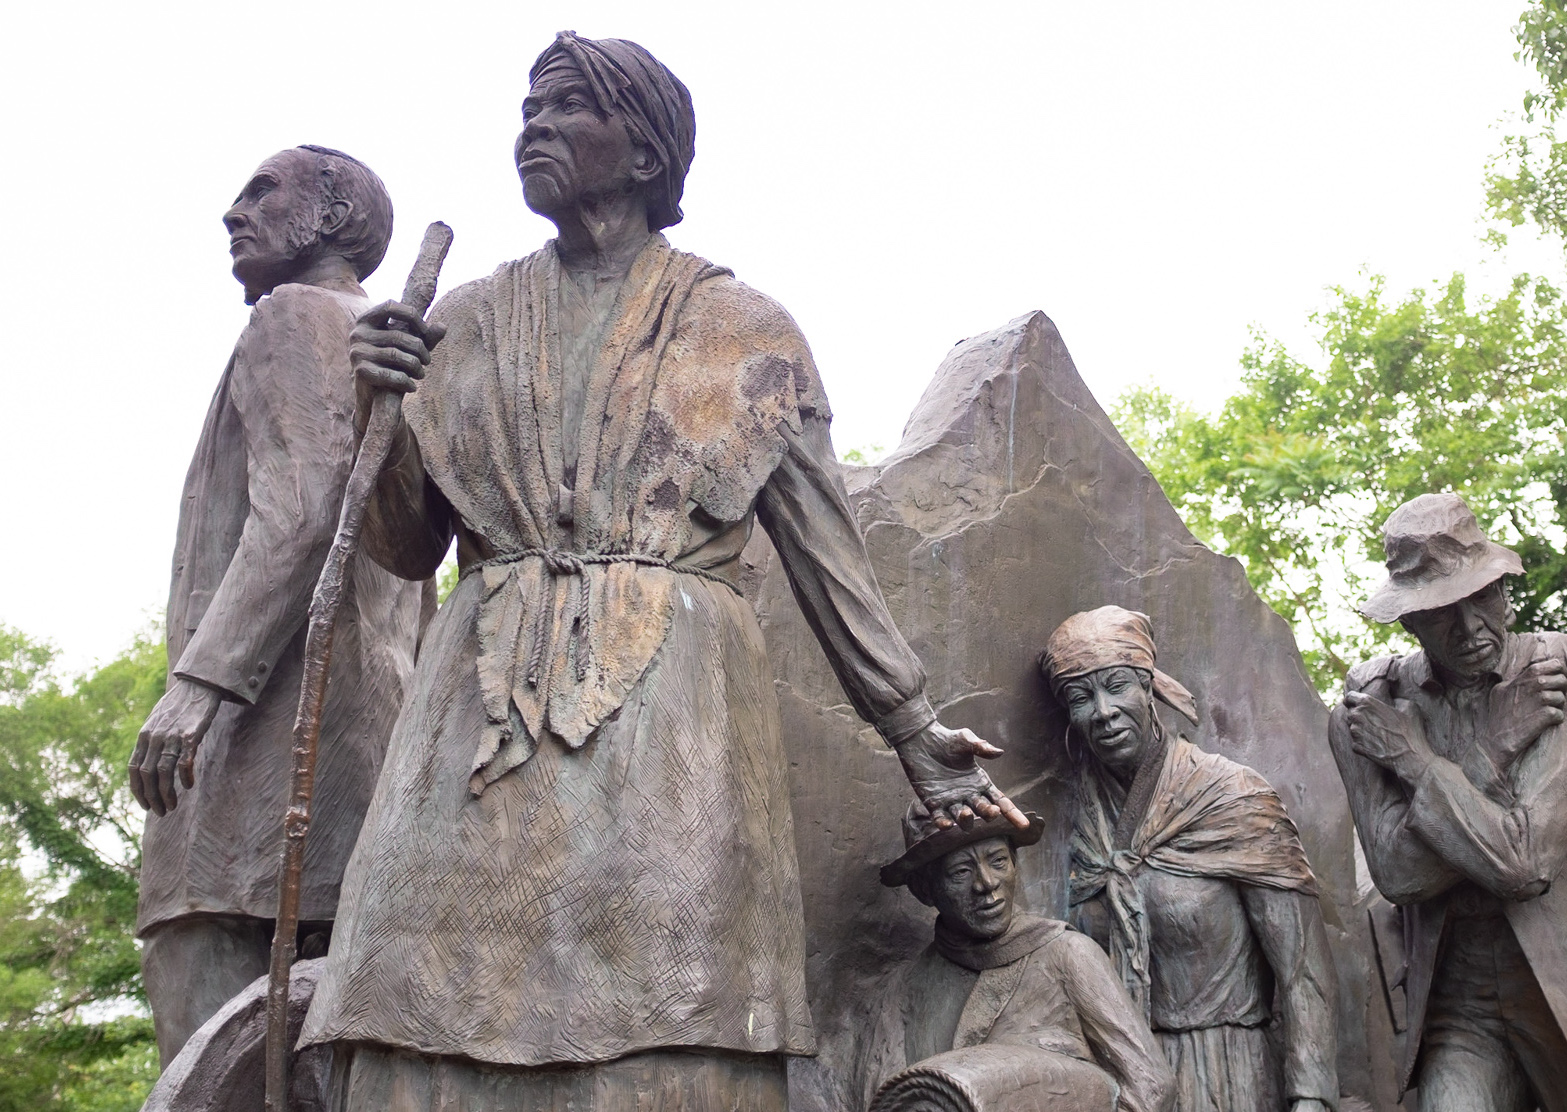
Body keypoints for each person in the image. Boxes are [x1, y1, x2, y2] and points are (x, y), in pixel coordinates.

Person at [298, 32, 1024, 1109]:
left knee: (668, 998)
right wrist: (381, 404)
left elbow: (826, 552)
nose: (533, 127)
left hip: (673, 711)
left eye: (563, 108)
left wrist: (914, 731)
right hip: (476, 704)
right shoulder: (461, 322)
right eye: (526, 109)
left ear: (644, 153)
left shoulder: (743, 329)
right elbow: (405, 546)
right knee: (424, 1003)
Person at [126, 146, 422, 1066]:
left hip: (259, 763)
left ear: (331, 217)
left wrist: (198, 688)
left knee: (206, 1046)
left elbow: (302, 506)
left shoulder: (296, 314)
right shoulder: (388, 346)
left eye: (263, 192)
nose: (234, 212)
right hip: (367, 758)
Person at [1327, 493, 1567, 1111]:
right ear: (1409, 621)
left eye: (1482, 597)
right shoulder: (1369, 715)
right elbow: (1400, 876)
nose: (1469, 628)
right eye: (1441, 611)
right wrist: (1492, 747)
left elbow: (1524, 864)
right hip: (1462, 1007)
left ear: (1503, 589)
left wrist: (1415, 760)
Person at [1044, 606, 1339, 1112]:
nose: (1103, 711)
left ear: (1149, 688)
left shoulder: (1233, 797)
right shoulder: (1077, 824)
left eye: (1116, 686)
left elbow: (1302, 970)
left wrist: (1312, 1098)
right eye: (1080, 698)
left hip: (1229, 1072)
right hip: (1121, 1082)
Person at [854, 805, 1175, 1112]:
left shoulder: (1069, 955)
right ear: (924, 889)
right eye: (961, 871)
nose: (986, 883)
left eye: (998, 861)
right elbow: (877, 1094)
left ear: (1015, 862)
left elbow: (1151, 1087)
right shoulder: (903, 990)